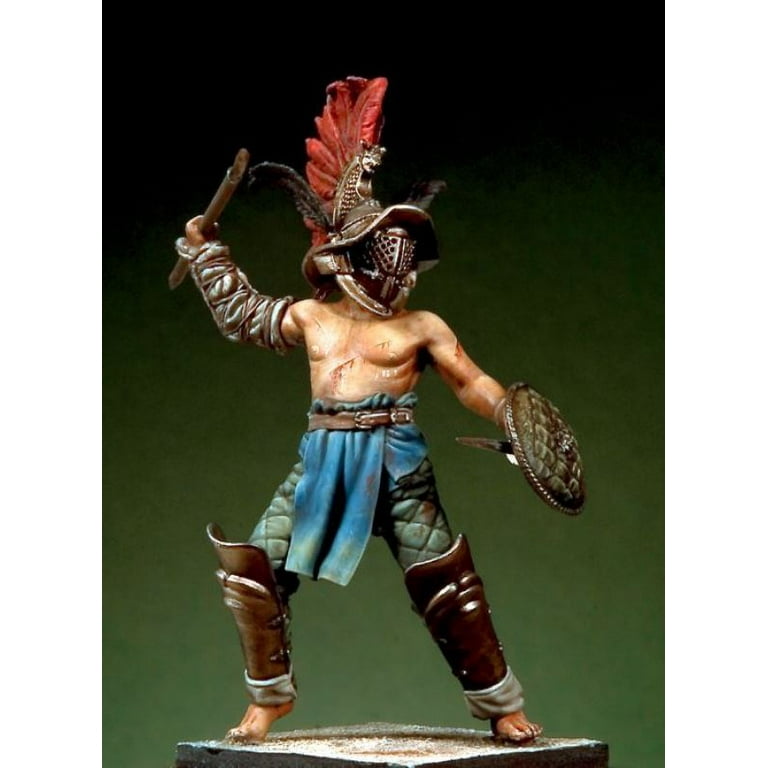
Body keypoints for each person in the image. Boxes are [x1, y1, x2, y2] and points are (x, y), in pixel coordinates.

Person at [173, 76, 542, 744]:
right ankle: (268, 698)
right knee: (254, 572)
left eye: (404, 251)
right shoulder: (312, 317)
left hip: (399, 467)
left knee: (449, 586)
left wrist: (515, 418)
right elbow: (243, 314)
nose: (397, 264)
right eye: (383, 247)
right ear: (349, 254)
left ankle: (502, 704)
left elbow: (471, 383)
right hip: (321, 462)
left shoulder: (422, 327)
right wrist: (206, 254)